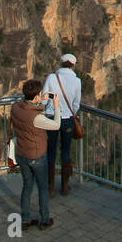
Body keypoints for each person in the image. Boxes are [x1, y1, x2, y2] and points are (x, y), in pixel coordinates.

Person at [10, 79, 60, 230]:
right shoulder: (36, 118)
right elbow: (56, 125)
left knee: (27, 186)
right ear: (37, 95)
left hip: (21, 152)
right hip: (36, 155)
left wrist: (41, 101)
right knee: (43, 187)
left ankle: (25, 219)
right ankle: (44, 219)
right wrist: (56, 107)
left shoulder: (15, 108)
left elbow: (27, 106)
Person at [42, 53, 82, 195]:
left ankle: (51, 187)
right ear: (73, 65)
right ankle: (65, 186)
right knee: (65, 151)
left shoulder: (52, 78)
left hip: (52, 118)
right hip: (67, 120)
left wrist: (48, 105)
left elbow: (44, 100)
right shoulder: (77, 81)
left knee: (50, 151)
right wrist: (70, 113)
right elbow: (76, 104)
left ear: (61, 63)